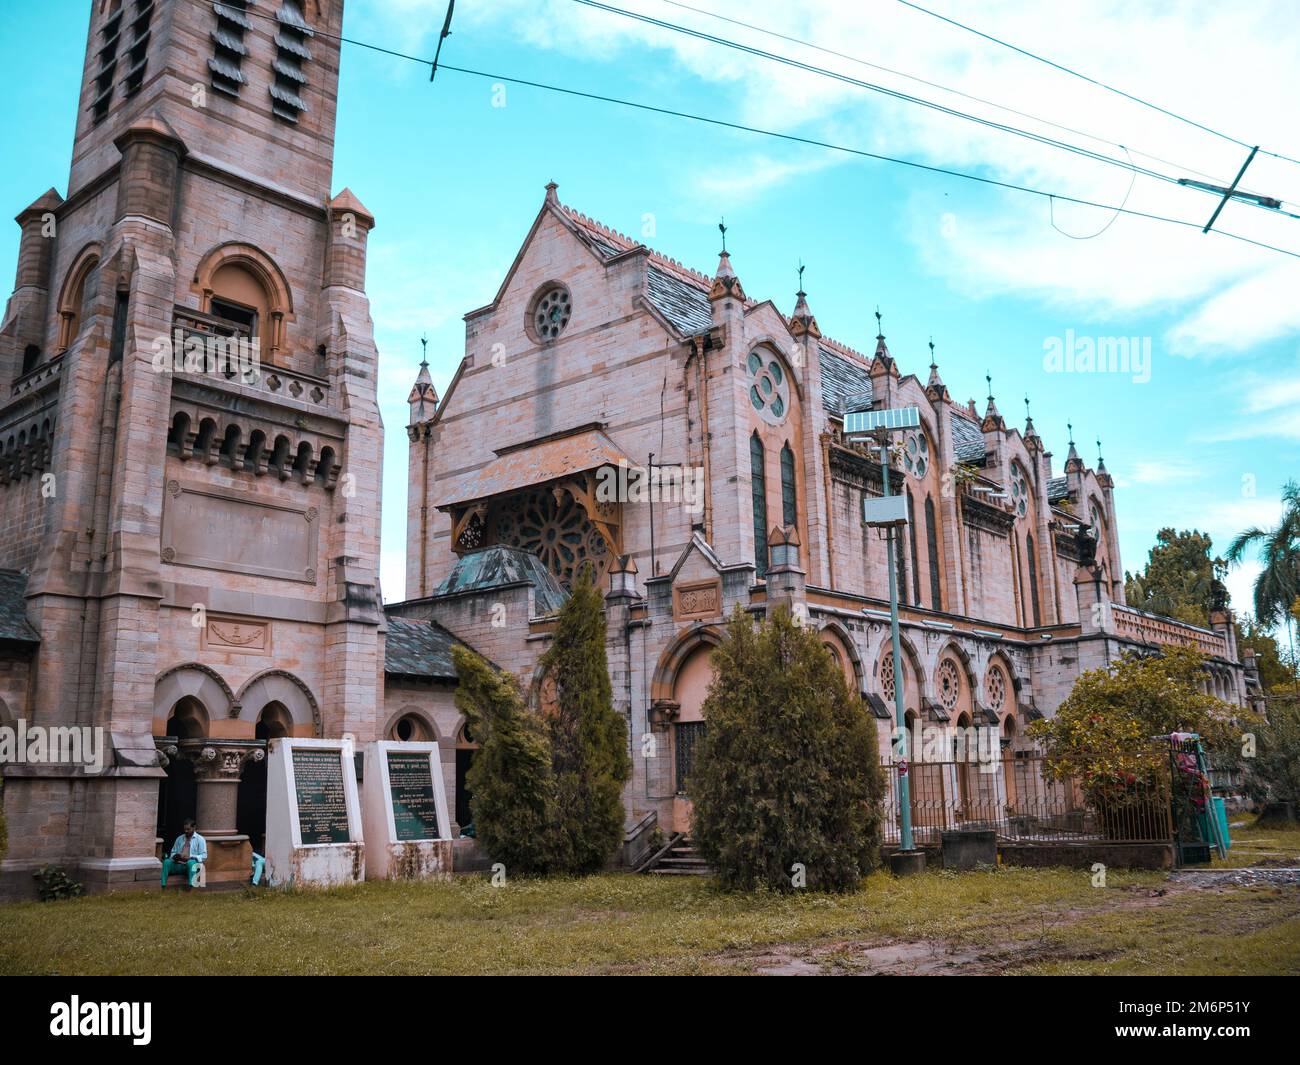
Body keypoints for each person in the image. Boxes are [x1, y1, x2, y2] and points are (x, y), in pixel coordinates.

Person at [161, 818, 207, 889]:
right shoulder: (179, 838)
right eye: (185, 829)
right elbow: (173, 852)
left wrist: (191, 857)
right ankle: (162, 886)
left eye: (188, 829)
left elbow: (204, 856)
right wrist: (175, 856)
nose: (186, 831)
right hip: (179, 864)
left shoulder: (200, 839)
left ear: (194, 828)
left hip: (192, 866)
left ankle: (191, 887)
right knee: (166, 862)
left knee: (191, 862)